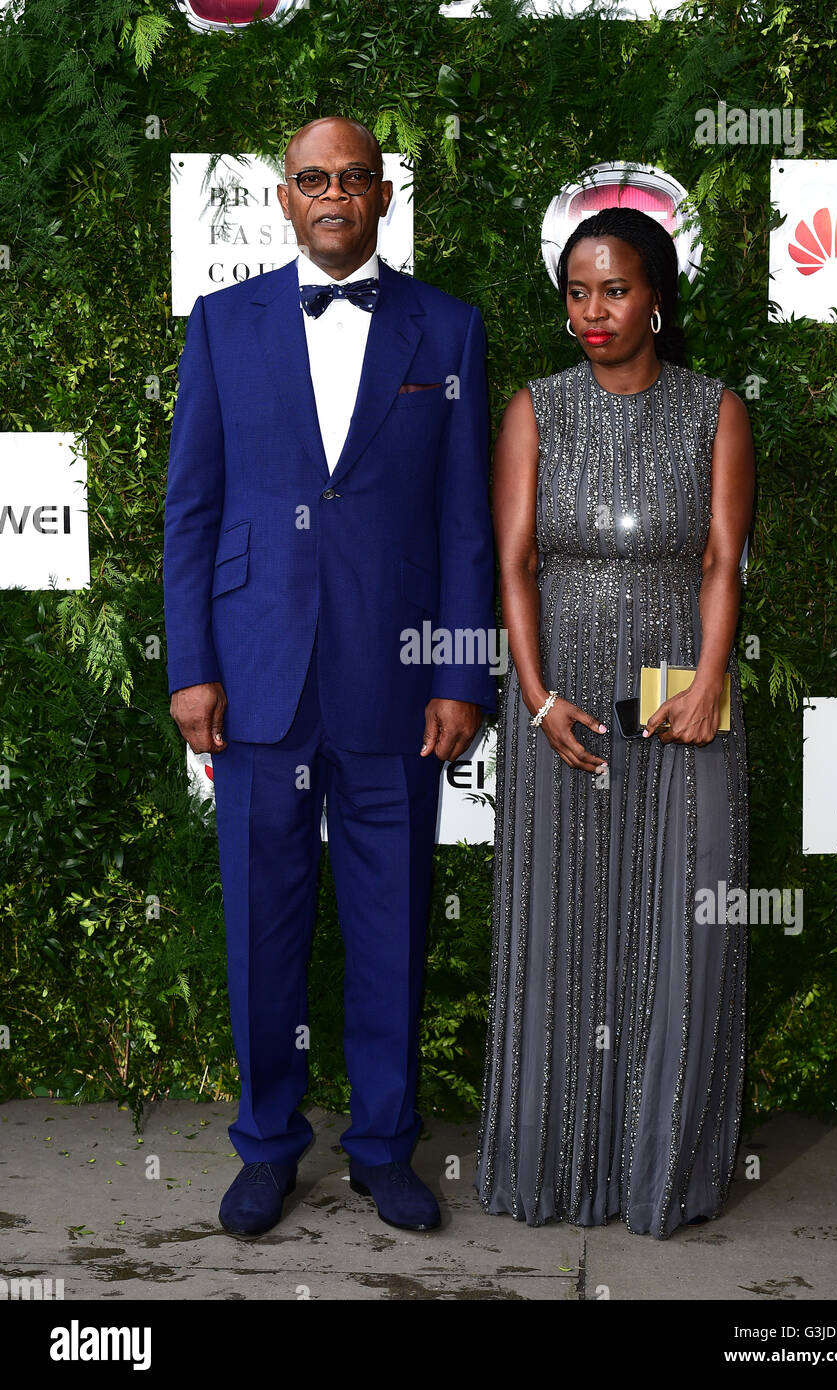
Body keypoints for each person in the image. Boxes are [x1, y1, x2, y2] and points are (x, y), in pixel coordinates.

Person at [164, 116, 496, 1237]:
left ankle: (384, 1147)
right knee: (262, 926)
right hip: (254, 674)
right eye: (314, 179)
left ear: (385, 194)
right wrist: (192, 665)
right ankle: (266, 1145)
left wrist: (461, 672)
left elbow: (465, 523)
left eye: (355, 177)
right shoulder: (221, 325)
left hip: (396, 682)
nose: (335, 194)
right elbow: (192, 514)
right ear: (284, 199)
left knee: (392, 920)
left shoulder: (448, 329)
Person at [475, 206, 755, 1238]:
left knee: (680, 929)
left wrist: (709, 682)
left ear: (657, 297)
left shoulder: (714, 409)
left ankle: (658, 1176)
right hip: (565, 698)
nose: (596, 312)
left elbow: (723, 559)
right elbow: (512, 563)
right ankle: (554, 1165)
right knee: (566, 925)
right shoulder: (534, 409)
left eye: (617, 290)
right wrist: (538, 694)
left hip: (683, 684)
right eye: (579, 293)